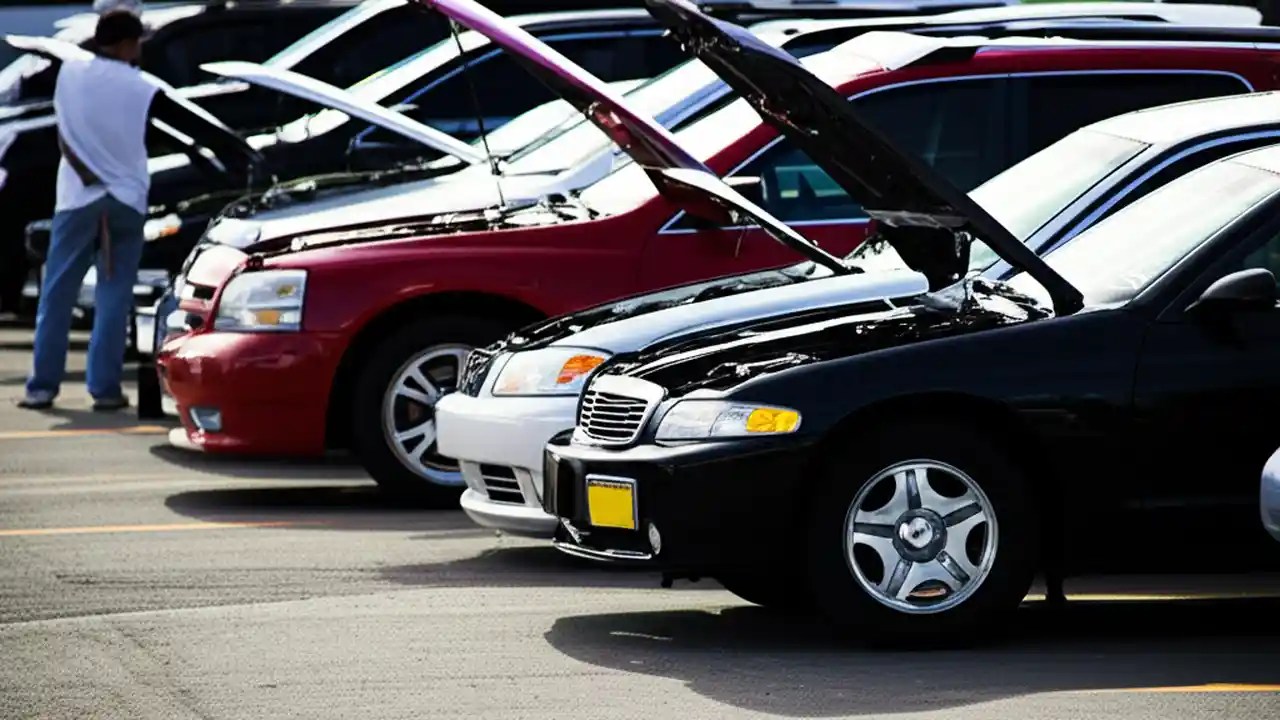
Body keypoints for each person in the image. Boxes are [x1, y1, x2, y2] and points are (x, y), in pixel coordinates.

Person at [19, 11, 154, 411]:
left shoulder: (71, 73)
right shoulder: (142, 86)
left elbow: (63, 134)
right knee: (114, 297)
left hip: (77, 198)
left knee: (57, 295)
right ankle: (105, 389)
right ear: (129, 43)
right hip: (127, 201)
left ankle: (41, 387)